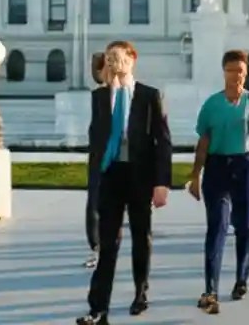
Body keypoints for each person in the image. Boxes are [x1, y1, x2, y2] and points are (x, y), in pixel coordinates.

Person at [76, 41, 173, 325]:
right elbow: (96, 140)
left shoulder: (149, 96)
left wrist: (162, 182)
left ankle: (140, 292)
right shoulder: (100, 97)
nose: (113, 63)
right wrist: (94, 180)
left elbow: (163, 141)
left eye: (118, 57)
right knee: (108, 244)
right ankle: (98, 308)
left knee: (141, 237)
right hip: (111, 176)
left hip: (140, 177)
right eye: (109, 58)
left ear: (132, 59)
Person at [188, 49, 249, 314]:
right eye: (233, 71)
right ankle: (210, 287)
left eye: (242, 73)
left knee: (245, 226)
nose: (237, 77)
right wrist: (195, 175)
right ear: (224, 72)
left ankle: (241, 279)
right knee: (217, 226)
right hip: (216, 167)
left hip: (245, 165)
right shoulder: (212, 105)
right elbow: (203, 142)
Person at [84, 52, 111, 269]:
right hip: (99, 157)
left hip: (118, 159)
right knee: (95, 203)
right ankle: (97, 247)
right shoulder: (99, 97)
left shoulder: (131, 95)